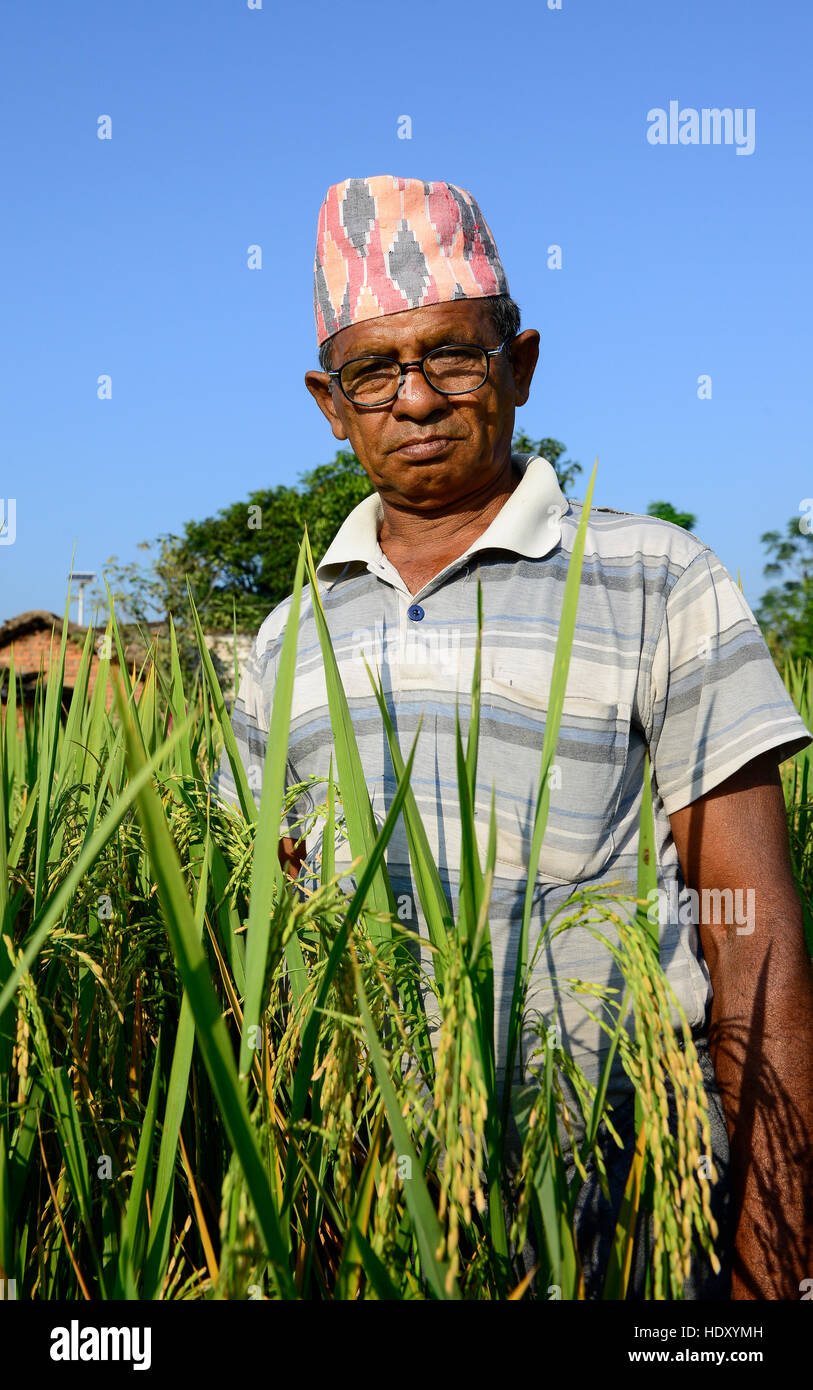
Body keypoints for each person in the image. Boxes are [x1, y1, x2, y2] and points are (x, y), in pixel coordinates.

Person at [213, 175, 813, 1299]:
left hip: (636, 1201)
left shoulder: (657, 579)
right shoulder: (286, 639)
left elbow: (756, 934)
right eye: (373, 372)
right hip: (372, 1214)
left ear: (521, 364)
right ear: (329, 405)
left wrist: (776, 1271)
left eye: (453, 354)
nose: (418, 397)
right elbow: (257, 943)